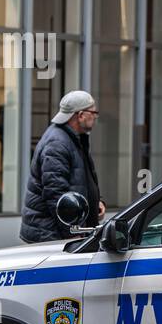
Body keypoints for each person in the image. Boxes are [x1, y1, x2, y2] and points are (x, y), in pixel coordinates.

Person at [20, 90, 105, 243]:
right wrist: (72, 232)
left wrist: (96, 202)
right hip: (51, 235)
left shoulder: (74, 139)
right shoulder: (57, 143)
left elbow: (82, 179)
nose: (95, 117)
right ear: (80, 115)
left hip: (60, 232)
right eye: (93, 112)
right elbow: (55, 194)